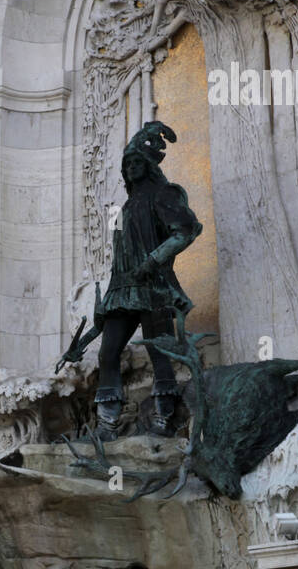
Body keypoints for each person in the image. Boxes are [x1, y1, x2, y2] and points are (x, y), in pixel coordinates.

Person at [59, 121, 202, 435]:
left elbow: (188, 230)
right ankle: (108, 421)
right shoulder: (123, 210)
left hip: (154, 288)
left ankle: (165, 415)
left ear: (149, 166)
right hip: (123, 291)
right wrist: (100, 311)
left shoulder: (163, 195)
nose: (132, 167)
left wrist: (152, 261)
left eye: (138, 162)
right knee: (107, 352)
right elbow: (119, 262)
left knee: (158, 350)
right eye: (128, 164)